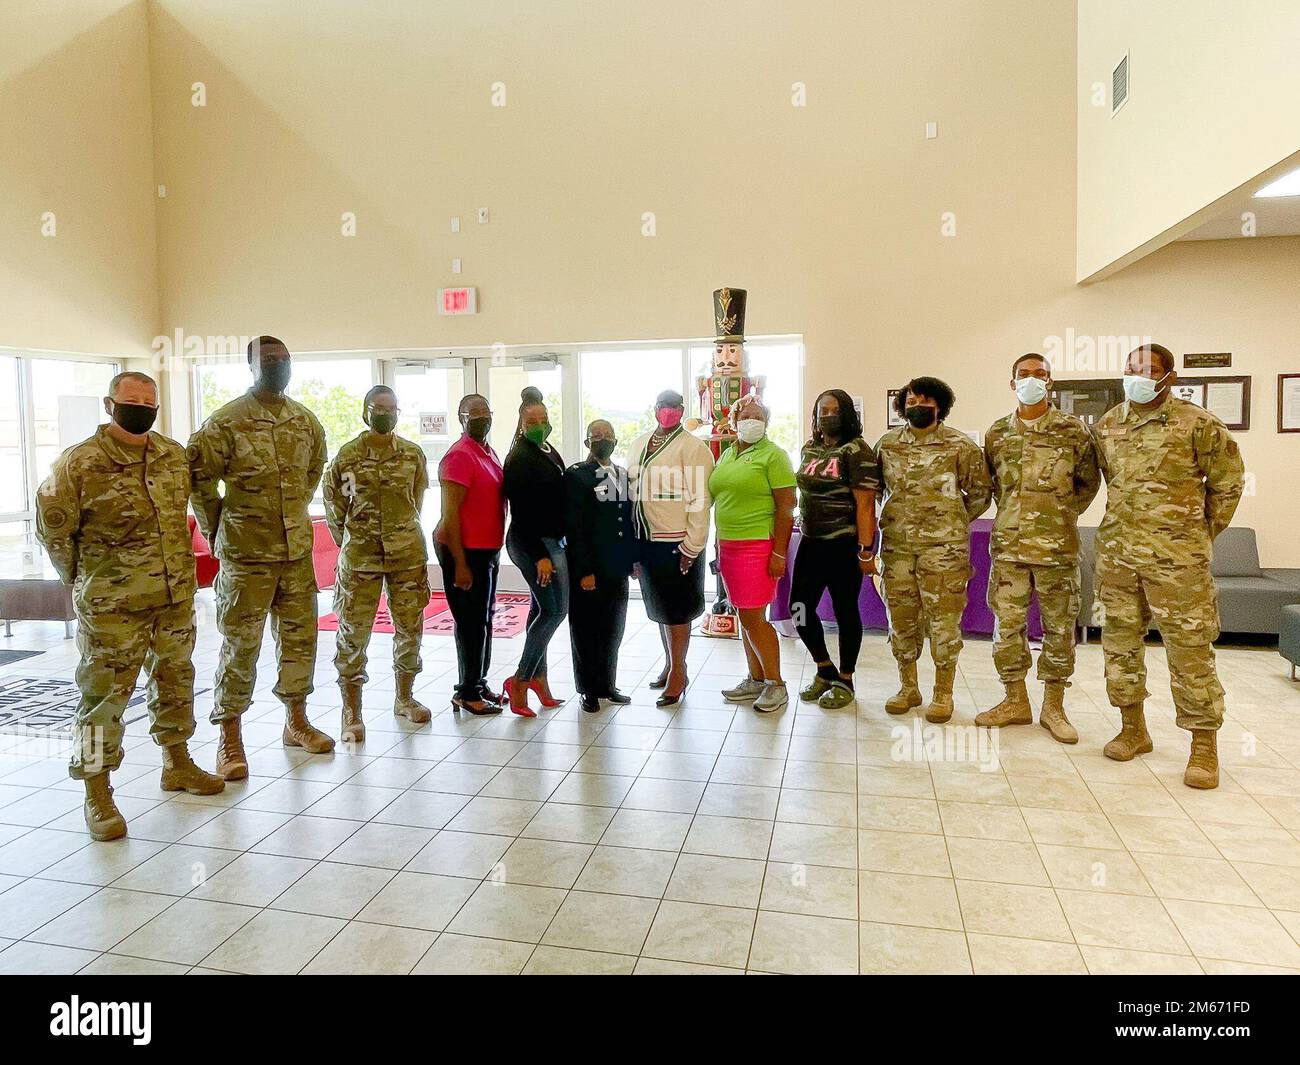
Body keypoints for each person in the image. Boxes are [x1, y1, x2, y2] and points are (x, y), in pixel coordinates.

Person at [36, 371, 224, 841]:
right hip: (111, 605)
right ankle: (97, 792)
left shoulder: (172, 456)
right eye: (131, 399)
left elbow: (191, 510)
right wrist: (85, 581)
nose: (141, 407)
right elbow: (54, 532)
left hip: (173, 597)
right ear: (110, 404)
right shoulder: (79, 464)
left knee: (176, 681)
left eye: (149, 400)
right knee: (104, 698)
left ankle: (177, 763)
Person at [1094, 343, 1244, 789]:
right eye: (1131, 369)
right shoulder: (1108, 425)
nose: (1137, 376)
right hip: (1118, 557)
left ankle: (1203, 745)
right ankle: (1133, 728)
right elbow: (1108, 481)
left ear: (1170, 377)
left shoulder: (1198, 424)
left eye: (1148, 370)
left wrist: (1194, 537)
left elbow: (1228, 486)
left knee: (1190, 649)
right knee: (1119, 645)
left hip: (1178, 563)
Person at [189, 336, 333, 779]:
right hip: (246, 555)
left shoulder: (304, 421)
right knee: (240, 646)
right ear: (250, 365)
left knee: (300, 641)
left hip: (294, 555)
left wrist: (290, 508)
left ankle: (296, 721)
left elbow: (314, 469)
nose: (279, 365)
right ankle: (229, 737)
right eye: (269, 360)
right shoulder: (226, 422)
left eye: (285, 358)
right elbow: (199, 479)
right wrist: (218, 528)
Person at [979, 354, 1101, 743]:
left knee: (1059, 628)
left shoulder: (1073, 431)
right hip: (1010, 549)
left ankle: (1054, 706)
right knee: (1007, 627)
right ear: (1012, 383)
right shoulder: (997, 433)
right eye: (1024, 375)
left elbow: (1087, 484)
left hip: (1058, 550)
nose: (1032, 380)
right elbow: (994, 485)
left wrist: (1057, 515)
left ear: (1050, 382)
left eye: (1040, 375)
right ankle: (1015, 700)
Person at [875, 377, 992, 723]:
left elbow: (981, 493)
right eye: (911, 400)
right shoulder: (887, 444)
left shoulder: (960, 446)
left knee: (944, 623)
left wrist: (950, 522)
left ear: (940, 405)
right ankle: (908, 687)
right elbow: (876, 492)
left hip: (945, 552)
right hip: (897, 549)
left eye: (925, 400)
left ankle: (943, 693)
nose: (917, 406)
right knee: (901, 620)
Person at [323, 385, 433, 743]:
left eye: (391, 408)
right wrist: (350, 541)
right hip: (360, 558)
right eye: (378, 407)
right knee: (353, 634)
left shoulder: (413, 455)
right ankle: (351, 711)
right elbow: (334, 505)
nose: (385, 413)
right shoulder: (348, 456)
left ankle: (405, 696)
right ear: (365, 411)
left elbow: (416, 499)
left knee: (409, 627)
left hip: (406, 554)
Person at [791, 388, 881, 709]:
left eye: (834, 409)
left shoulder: (857, 450)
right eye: (822, 409)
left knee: (845, 612)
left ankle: (846, 678)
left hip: (843, 546)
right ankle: (824, 668)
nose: (827, 415)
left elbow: (866, 504)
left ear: (846, 414)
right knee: (799, 609)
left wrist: (866, 550)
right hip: (811, 542)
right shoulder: (809, 448)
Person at [627, 389, 715, 706]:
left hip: (679, 542)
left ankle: (679, 672)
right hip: (648, 540)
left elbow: (701, 501)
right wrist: (632, 547)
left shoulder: (694, 448)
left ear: (681, 410)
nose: (668, 411)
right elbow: (631, 492)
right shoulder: (639, 443)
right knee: (660, 609)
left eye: (674, 407)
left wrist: (693, 545)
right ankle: (670, 664)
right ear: (654, 409)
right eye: (663, 406)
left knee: (678, 611)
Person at [710, 395, 796, 713]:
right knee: (746, 617)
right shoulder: (727, 455)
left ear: (767, 422)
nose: (752, 420)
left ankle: (776, 684)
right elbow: (720, 497)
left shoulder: (774, 455)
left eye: (758, 416)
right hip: (729, 547)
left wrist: (779, 553)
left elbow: (787, 508)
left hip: (758, 546)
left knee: (753, 617)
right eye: (746, 415)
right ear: (733, 422)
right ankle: (756, 679)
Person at [434, 393, 506, 716]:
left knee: (483, 620)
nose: (481, 419)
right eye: (473, 414)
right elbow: (450, 517)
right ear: (461, 418)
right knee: (470, 622)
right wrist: (460, 565)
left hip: (486, 549)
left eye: (485, 413)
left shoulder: (487, 452)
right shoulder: (460, 456)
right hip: (462, 551)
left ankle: (477, 682)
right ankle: (466, 692)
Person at [502, 386, 569, 717]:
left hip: (551, 540)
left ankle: (539, 679)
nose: (540, 423)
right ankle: (520, 680)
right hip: (531, 543)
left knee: (540, 608)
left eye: (544, 418)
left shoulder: (546, 449)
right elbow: (523, 512)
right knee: (555, 610)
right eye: (533, 420)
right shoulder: (519, 459)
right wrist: (540, 555)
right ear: (521, 423)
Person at [565, 419, 636, 713]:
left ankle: (608, 683)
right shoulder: (577, 476)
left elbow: (627, 521)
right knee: (586, 630)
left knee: (613, 627)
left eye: (608, 435)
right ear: (587, 443)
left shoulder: (620, 474)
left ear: (616, 441)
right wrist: (584, 571)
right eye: (596, 436)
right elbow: (576, 527)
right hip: (590, 567)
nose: (603, 440)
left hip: (616, 566)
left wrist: (632, 559)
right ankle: (588, 689)